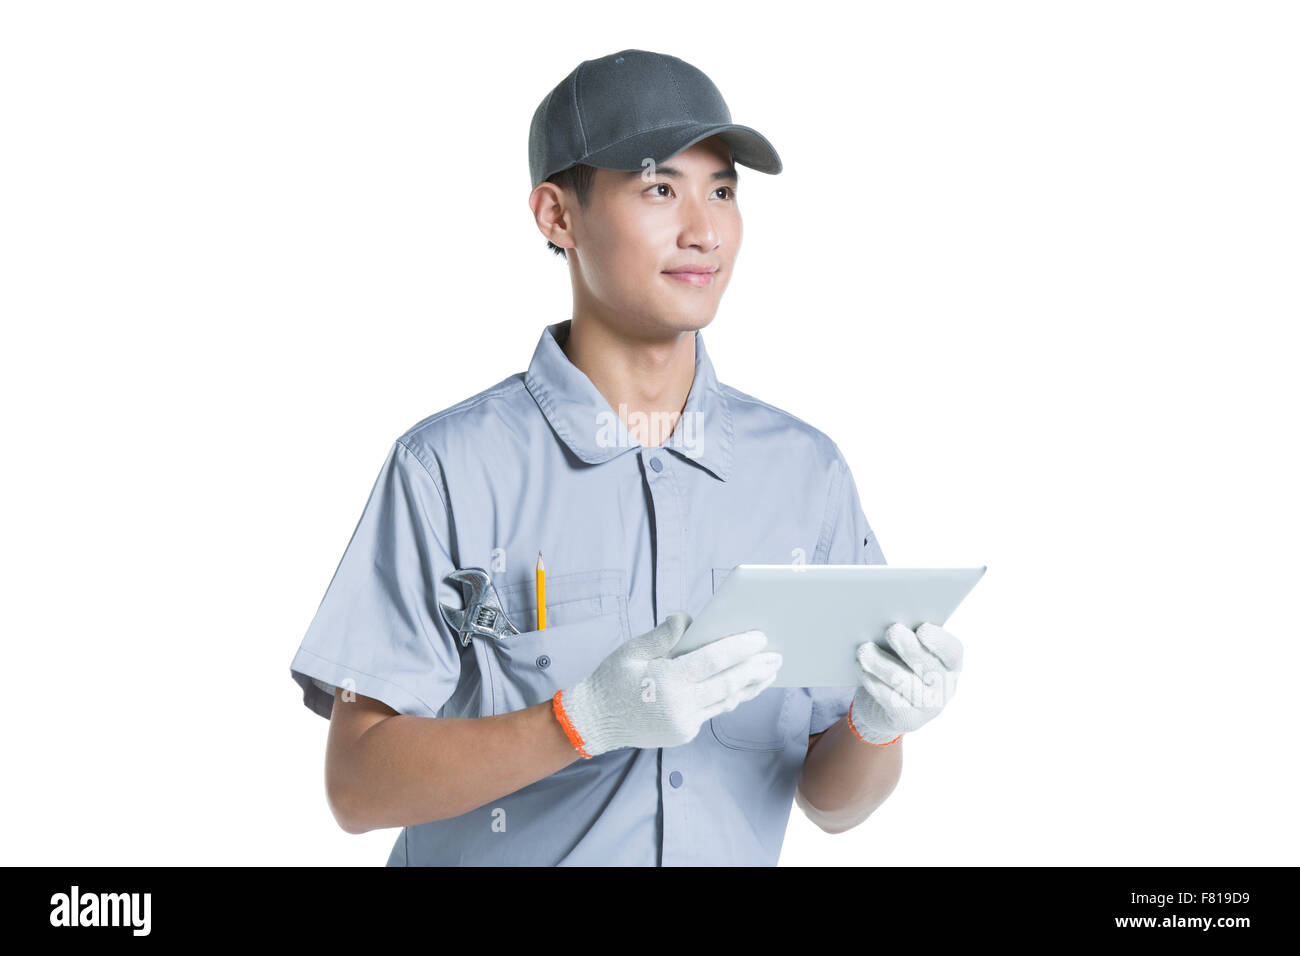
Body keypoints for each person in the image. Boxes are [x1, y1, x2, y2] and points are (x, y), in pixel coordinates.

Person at [289, 48, 964, 866]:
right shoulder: (448, 472)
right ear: (556, 216)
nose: (704, 230)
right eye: (659, 188)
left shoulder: (804, 477)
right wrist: (582, 721)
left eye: (722, 190)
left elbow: (831, 804)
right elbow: (356, 786)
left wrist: (876, 724)